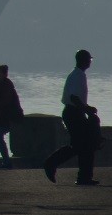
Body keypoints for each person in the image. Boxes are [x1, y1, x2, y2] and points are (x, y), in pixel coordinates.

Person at [43, 49, 100, 186]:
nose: (90, 62)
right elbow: (74, 98)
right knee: (81, 145)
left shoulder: (78, 75)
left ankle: (84, 177)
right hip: (73, 112)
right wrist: (87, 109)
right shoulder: (77, 76)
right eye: (89, 60)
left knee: (83, 145)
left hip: (76, 112)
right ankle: (51, 163)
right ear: (82, 60)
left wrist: (86, 109)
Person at [0, 64, 23, 168]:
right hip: (0, 117)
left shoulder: (7, 86)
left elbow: (4, 103)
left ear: (4, 74)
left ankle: (5, 162)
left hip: (8, 117)